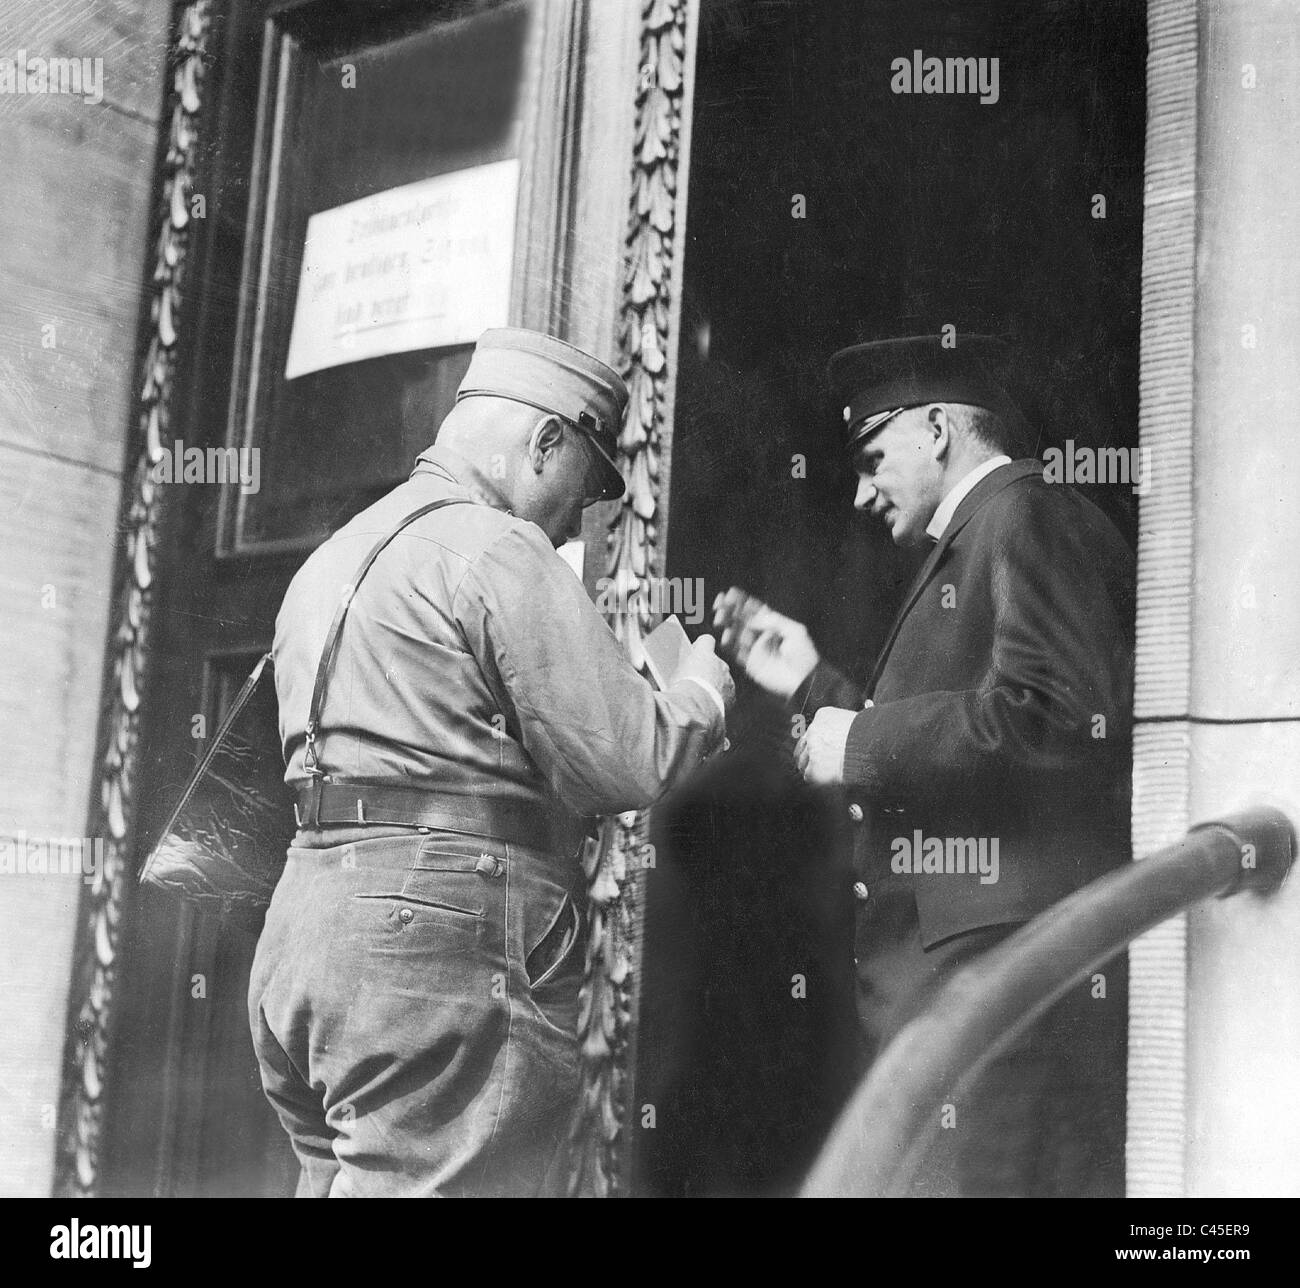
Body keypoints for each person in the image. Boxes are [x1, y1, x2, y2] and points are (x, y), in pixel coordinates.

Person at [251, 327, 734, 1197]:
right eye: (581, 492)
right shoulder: (498, 546)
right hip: (435, 943)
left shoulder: (332, 556)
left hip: (303, 937)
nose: (571, 523)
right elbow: (631, 761)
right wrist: (700, 689)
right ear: (545, 441)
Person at [714, 334, 1134, 1196]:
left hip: (1003, 984)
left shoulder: (1026, 513)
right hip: (965, 984)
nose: (862, 494)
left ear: (938, 428)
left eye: (873, 459)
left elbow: (1060, 720)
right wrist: (811, 684)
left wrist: (858, 744)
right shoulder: (987, 533)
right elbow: (963, 741)